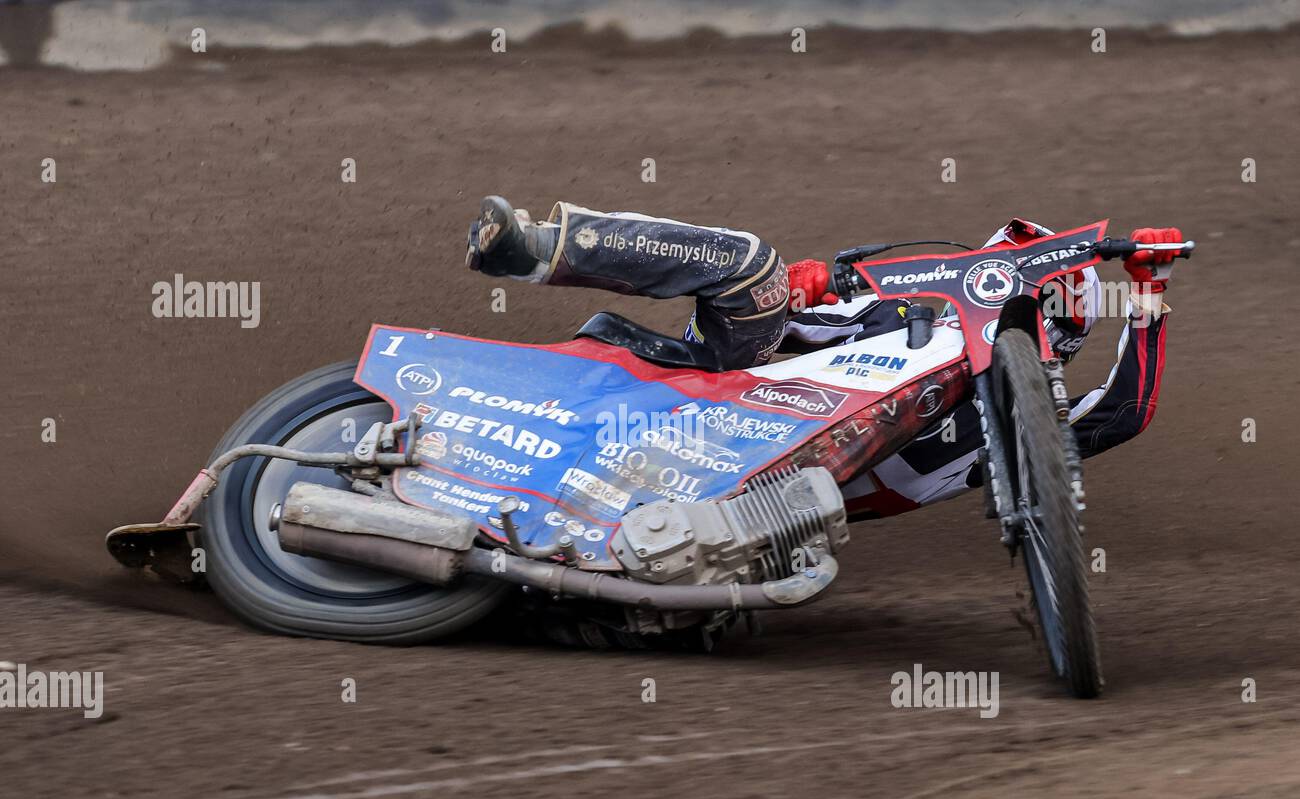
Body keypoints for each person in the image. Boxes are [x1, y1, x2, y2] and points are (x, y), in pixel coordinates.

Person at [465, 196, 1181, 518]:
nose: (1014, 302)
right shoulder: (905, 306)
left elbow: (1125, 410)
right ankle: (534, 248)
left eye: (1044, 301)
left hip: (784, 494)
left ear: (1065, 337)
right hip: (717, 398)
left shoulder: (1036, 421)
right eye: (1008, 271)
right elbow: (786, 307)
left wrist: (1150, 292)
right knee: (754, 265)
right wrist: (800, 288)